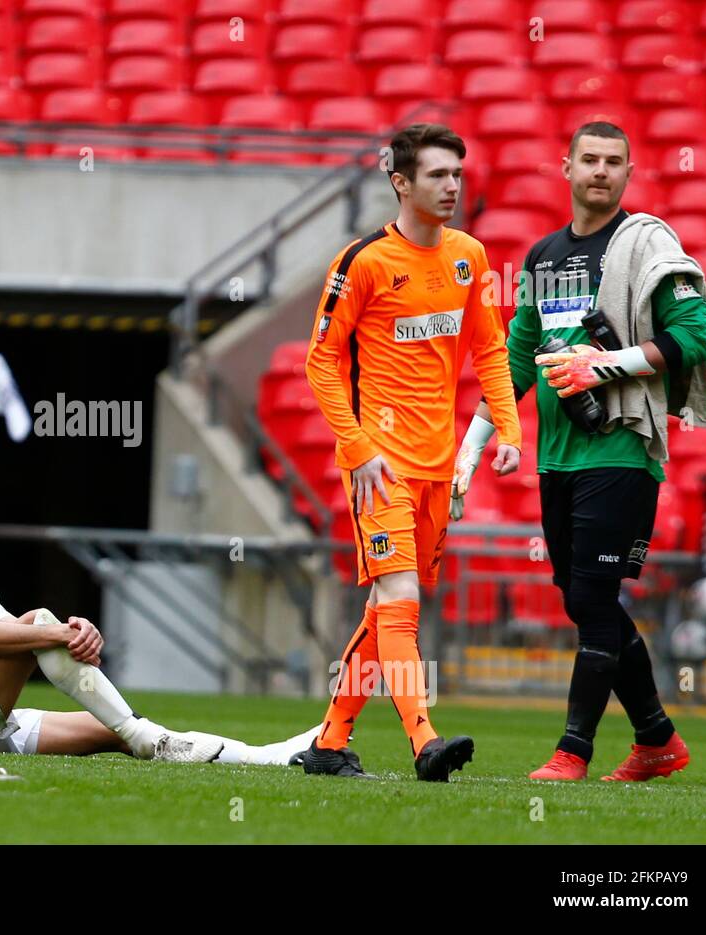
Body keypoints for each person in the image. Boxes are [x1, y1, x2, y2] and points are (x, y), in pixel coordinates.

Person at [458, 122, 706, 781]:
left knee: (593, 595)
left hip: (623, 449)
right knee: (583, 599)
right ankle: (657, 737)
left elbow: (694, 338)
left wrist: (608, 367)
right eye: (589, 159)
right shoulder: (543, 256)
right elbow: (513, 362)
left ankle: (574, 750)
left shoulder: (647, 243)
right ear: (565, 166)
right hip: (558, 457)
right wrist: (468, 455)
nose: (600, 170)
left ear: (629, 173)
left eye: (614, 162)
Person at [301, 124, 523, 781]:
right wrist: (358, 444)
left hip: (437, 465)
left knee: (385, 609)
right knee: (401, 597)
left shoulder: (469, 257)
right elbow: (321, 362)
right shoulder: (363, 261)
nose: (453, 185)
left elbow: (489, 347)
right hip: (379, 466)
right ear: (401, 182)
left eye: (457, 174)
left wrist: (507, 431)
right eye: (437, 175)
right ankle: (423, 739)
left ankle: (329, 743)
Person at [0, 474, 319, 763]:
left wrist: (75, 630)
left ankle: (272, 757)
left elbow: (11, 632)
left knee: (112, 731)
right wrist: (53, 630)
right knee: (43, 623)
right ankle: (140, 732)